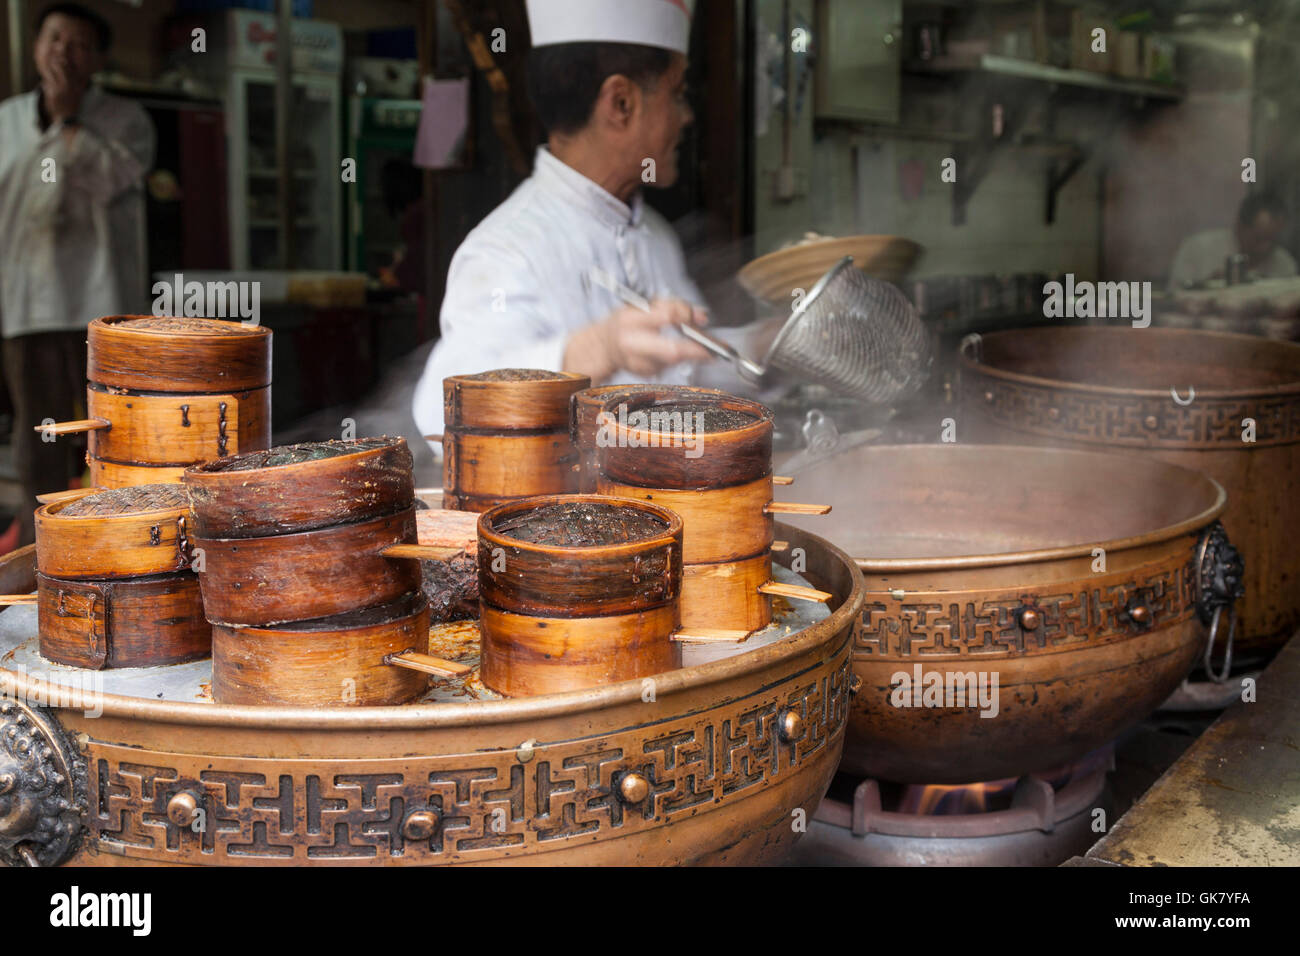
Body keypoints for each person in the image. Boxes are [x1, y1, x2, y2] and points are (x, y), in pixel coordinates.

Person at [412, 0, 728, 440]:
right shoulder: (505, 249)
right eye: (677, 93)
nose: (687, 115)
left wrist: (768, 347)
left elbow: (689, 367)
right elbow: (439, 414)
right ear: (620, 103)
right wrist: (593, 349)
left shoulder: (654, 234)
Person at [0, 2, 154, 550]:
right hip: (25, 304)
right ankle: (40, 551)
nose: (64, 51)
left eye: (79, 43)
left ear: (99, 60)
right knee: (36, 438)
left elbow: (111, 178)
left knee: (110, 430)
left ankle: (114, 542)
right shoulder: (6, 120)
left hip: (101, 304)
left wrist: (68, 120)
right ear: (36, 48)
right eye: (54, 39)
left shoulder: (126, 121)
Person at [1168, 191, 1298, 290]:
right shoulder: (1199, 249)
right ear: (1239, 227)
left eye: (1273, 240)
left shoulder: (1284, 264)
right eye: (1259, 238)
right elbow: (1172, 296)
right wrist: (1207, 286)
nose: (1265, 247)